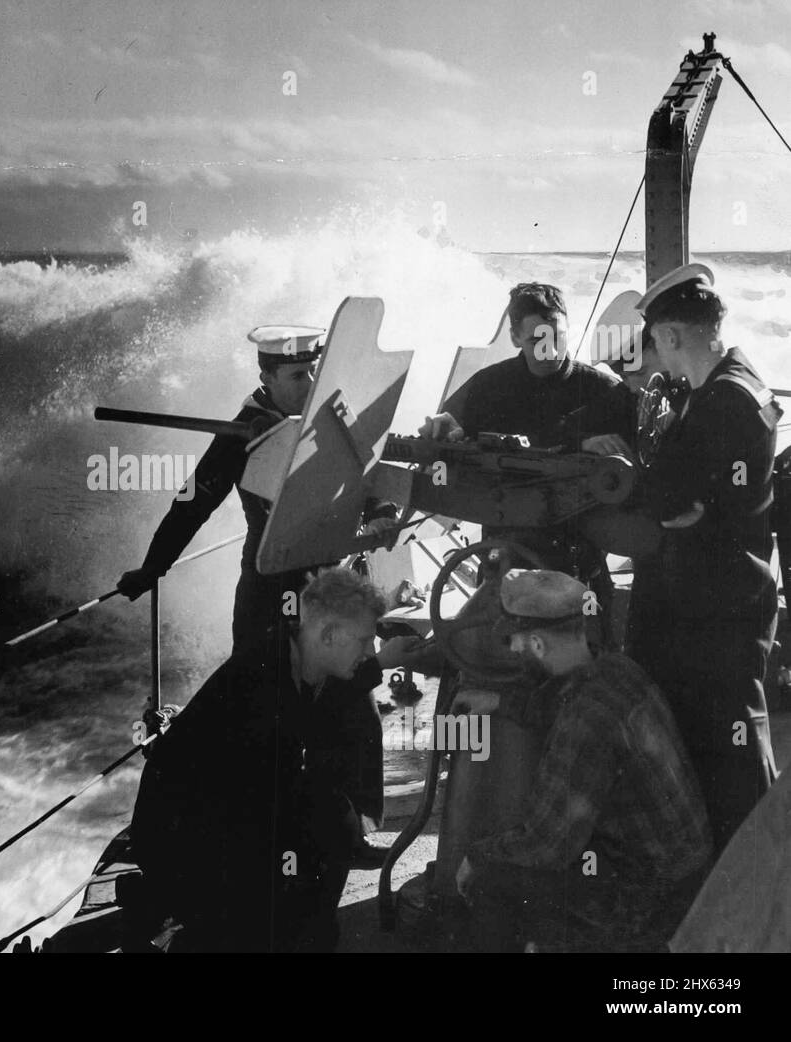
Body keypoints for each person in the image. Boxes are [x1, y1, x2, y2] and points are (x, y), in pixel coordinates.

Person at [118, 324, 400, 865]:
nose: (310, 380)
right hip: (270, 594)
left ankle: (347, 835)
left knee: (348, 708)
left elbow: (362, 480)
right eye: (297, 375)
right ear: (267, 376)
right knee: (263, 722)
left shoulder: (327, 415)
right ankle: (249, 841)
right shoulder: (241, 431)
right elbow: (192, 502)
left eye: (313, 369)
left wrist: (382, 511)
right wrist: (154, 566)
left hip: (326, 594)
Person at [127, 567, 400, 952]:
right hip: (179, 843)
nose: (368, 652)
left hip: (213, 819)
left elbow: (313, 713)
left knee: (328, 821)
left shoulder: (295, 656)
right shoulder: (263, 680)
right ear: (329, 635)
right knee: (323, 830)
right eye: (365, 641)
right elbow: (267, 794)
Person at [454, 569, 712, 953]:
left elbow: (547, 845)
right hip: (686, 869)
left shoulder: (584, 721)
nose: (512, 650)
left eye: (515, 640)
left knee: (491, 879)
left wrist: (474, 858)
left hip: (649, 897)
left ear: (537, 643)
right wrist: (502, 703)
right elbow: (563, 695)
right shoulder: (616, 667)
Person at [623, 263, 781, 853]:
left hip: (711, 607)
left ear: (669, 336)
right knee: (728, 746)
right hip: (726, 595)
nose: (657, 363)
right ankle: (737, 890)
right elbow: (683, 500)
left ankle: (753, 897)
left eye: (657, 346)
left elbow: (666, 499)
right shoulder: (736, 382)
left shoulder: (722, 403)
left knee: (732, 757)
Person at [419, 282, 639, 645]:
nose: (550, 348)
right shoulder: (488, 388)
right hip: (505, 559)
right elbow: (447, 437)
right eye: (537, 338)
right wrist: (440, 431)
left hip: (580, 559)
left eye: (558, 336)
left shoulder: (605, 392)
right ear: (515, 336)